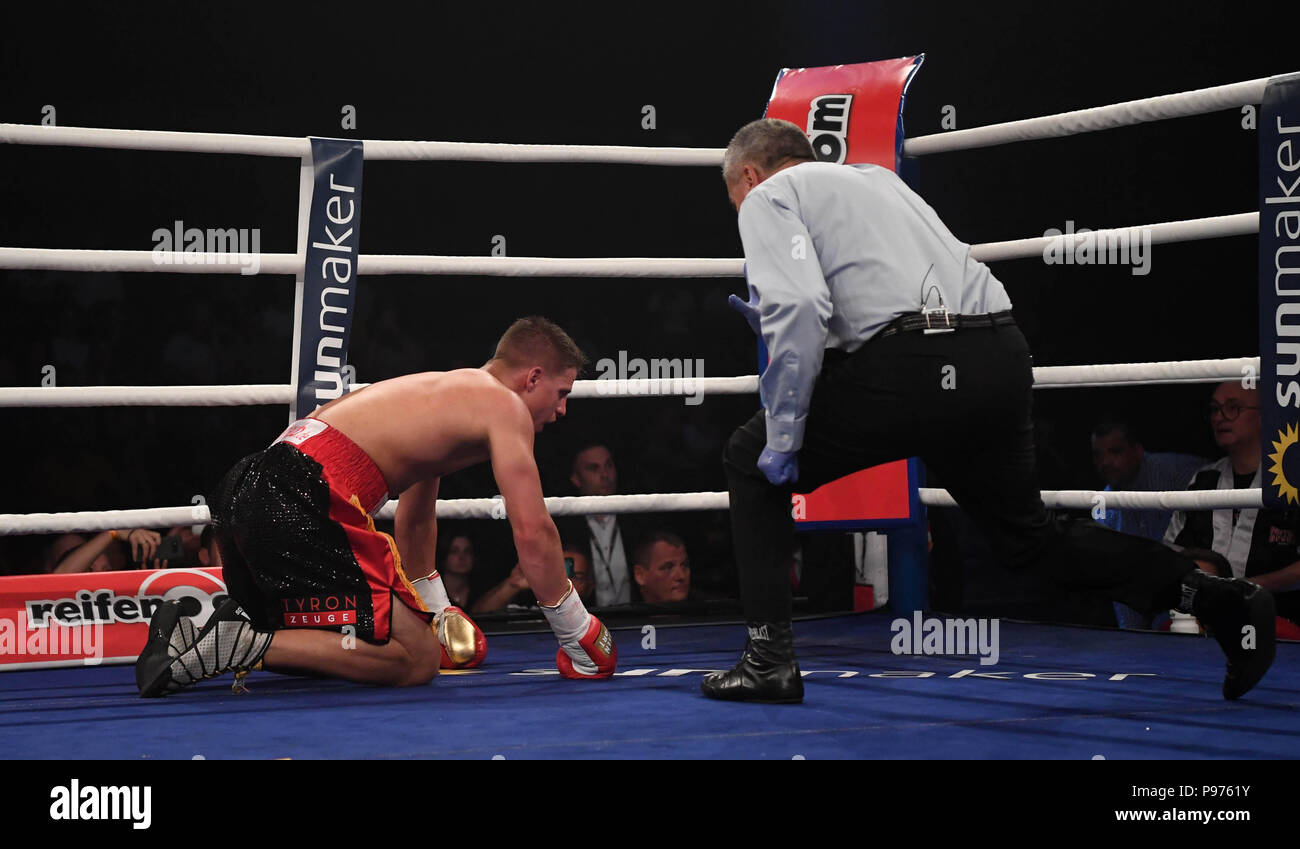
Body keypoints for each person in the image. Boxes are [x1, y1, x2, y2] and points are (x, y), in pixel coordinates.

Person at [702, 118, 1275, 704]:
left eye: (734, 198)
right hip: (996, 352)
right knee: (1029, 540)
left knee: (750, 460)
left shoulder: (769, 195)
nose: (740, 211)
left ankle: (768, 659)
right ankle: (1215, 597)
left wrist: (784, 426)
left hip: (916, 364)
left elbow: (802, 304)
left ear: (750, 173)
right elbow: (871, 296)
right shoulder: (876, 181)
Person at [135, 316, 617, 697]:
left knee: (354, 651)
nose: (561, 410)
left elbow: (415, 518)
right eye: (561, 393)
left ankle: (209, 624)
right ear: (532, 377)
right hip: (304, 497)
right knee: (416, 660)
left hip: (251, 489)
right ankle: (241, 642)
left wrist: (436, 610)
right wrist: (575, 628)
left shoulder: (448, 396)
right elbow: (533, 531)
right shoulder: (504, 407)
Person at [1164, 382, 1300, 628]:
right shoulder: (1203, 480)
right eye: (1215, 409)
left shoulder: (1292, 480)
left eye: (1233, 408)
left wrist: (1249, 587)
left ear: (1265, 415)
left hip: (1281, 626)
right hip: (1206, 624)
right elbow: (1173, 553)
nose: (1219, 417)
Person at [1090, 419, 1205, 628]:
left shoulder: (1177, 472)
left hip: (1188, 587)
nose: (1105, 462)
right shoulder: (1103, 506)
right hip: (1141, 593)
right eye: (1098, 455)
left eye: (1115, 452)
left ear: (1138, 450)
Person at [556, 442, 643, 606]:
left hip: (634, 619)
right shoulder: (563, 527)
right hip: (587, 619)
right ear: (576, 479)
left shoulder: (636, 518)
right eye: (593, 468)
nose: (605, 474)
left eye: (608, 465)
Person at [632, 530, 692, 604]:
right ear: (640, 575)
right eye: (668, 568)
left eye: (685, 565)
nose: (681, 576)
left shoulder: (707, 609)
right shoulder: (621, 613)